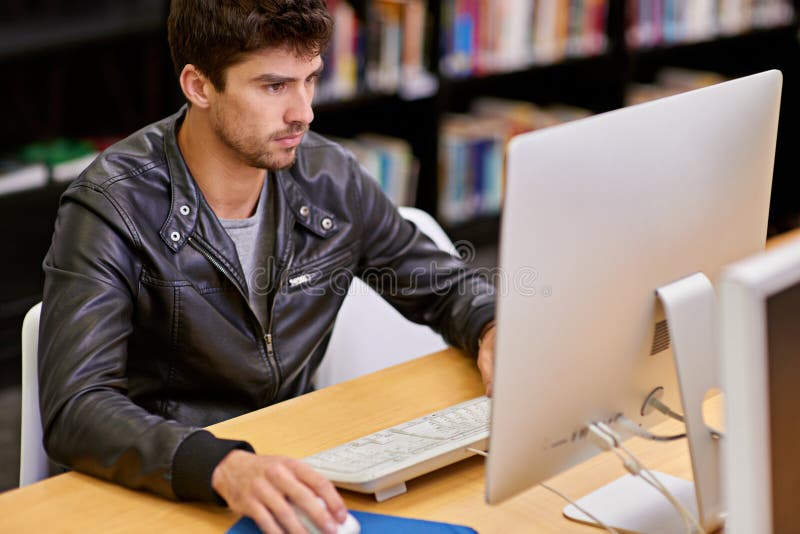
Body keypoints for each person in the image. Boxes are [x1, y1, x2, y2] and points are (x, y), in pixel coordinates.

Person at [38, 1, 496, 533]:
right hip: (166, 489)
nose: (304, 112)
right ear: (200, 86)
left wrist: (492, 326)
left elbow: (443, 285)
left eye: (311, 80)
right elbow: (77, 406)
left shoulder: (329, 177)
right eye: (274, 87)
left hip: (290, 470)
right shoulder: (111, 205)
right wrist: (222, 466)